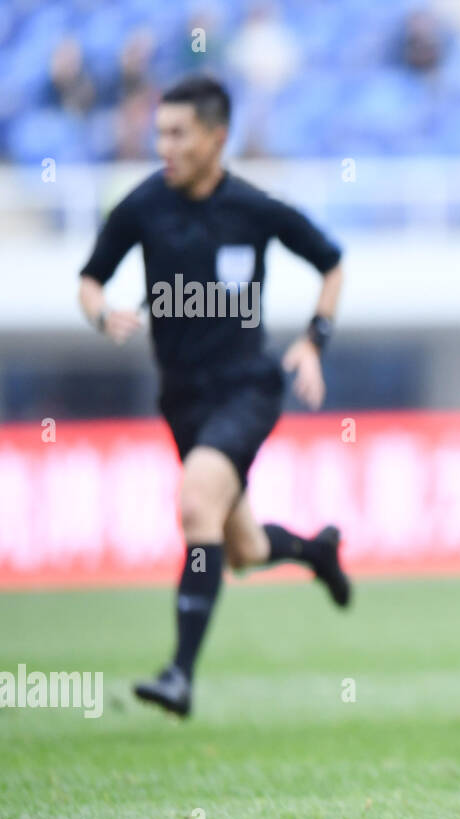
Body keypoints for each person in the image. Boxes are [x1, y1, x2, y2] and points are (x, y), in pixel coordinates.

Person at [78, 74, 350, 717]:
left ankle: (179, 674)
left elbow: (330, 262)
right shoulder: (142, 205)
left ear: (215, 137)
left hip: (246, 389)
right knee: (244, 548)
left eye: (177, 133)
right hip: (182, 400)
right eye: (159, 133)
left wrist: (314, 340)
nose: (163, 145)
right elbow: (90, 279)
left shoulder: (254, 207)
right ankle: (316, 551)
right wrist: (102, 313)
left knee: (195, 504)